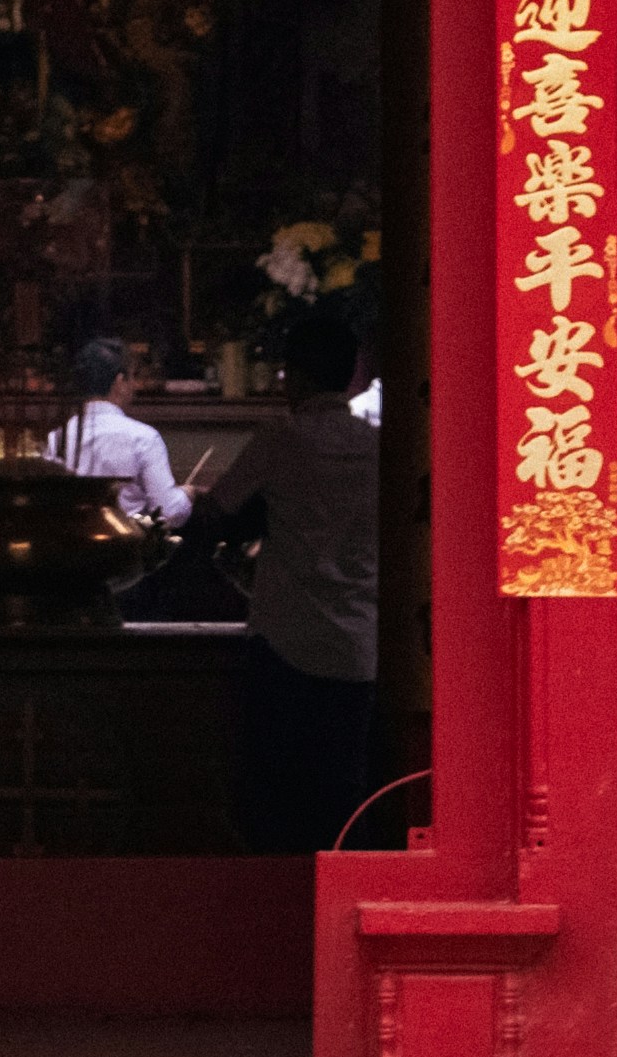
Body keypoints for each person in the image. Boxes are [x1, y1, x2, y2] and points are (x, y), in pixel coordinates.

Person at [203, 308, 386, 854]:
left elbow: (217, 512)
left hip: (286, 639)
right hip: (362, 644)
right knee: (347, 794)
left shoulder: (282, 437)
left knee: (276, 794)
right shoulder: (380, 446)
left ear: (294, 375)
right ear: (353, 373)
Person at [41, 350, 192, 524]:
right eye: (132, 378)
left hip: (74, 542)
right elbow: (169, 512)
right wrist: (186, 495)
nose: (135, 386)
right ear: (120, 382)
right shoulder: (143, 438)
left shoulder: (57, 438)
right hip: (127, 544)